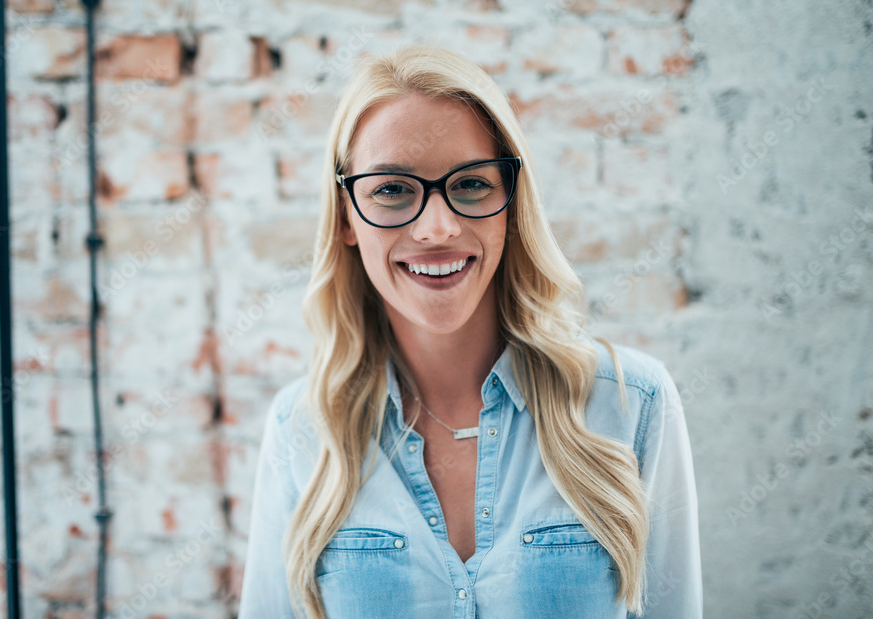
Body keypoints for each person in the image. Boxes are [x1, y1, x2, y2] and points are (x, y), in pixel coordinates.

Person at [239, 44, 701, 619]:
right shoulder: (301, 430)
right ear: (345, 216)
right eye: (391, 189)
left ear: (512, 201)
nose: (438, 228)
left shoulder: (633, 403)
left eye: (472, 185)